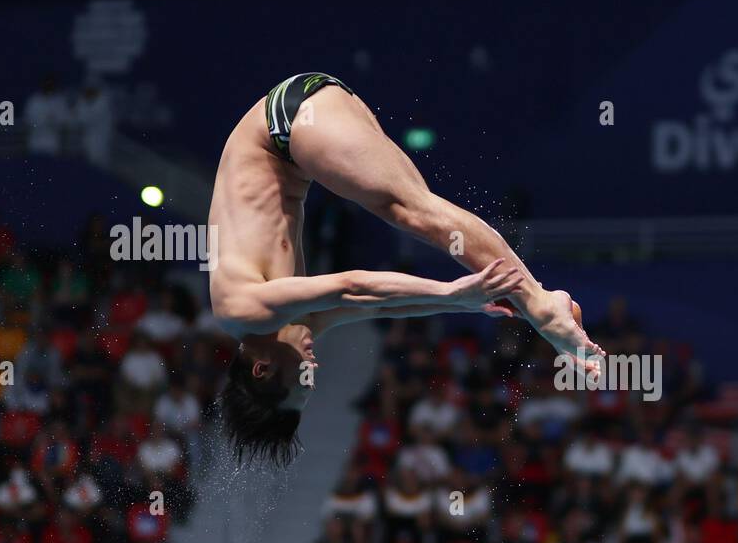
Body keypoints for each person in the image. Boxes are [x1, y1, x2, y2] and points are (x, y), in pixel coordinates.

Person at [208, 72, 603, 465]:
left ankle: (542, 306)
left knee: (409, 211)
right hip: (308, 125)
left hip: (287, 126)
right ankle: (539, 304)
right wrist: (463, 304)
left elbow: (352, 286)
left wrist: (452, 293)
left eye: (303, 379)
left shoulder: (241, 309)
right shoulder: (291, 327)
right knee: (418, 206)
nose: (314, 366)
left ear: (261, 369)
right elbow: (379, 306)